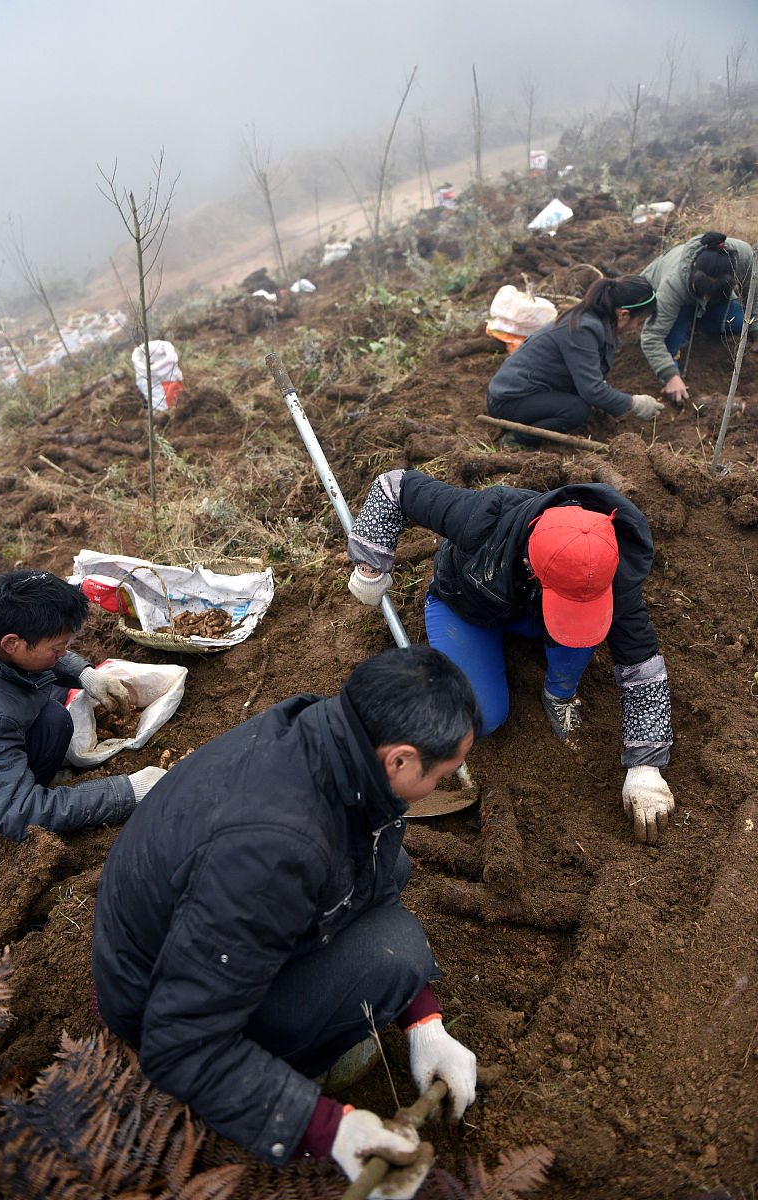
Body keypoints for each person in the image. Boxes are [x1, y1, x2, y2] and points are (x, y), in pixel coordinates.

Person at [92, 646, 479, 1198]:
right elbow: (180, 1041)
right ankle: (286, 1062)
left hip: (192, 936)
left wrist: (424, 1023)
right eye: (440, 775)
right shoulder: (273, 854)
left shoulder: (330, 733)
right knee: (391, 955)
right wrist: (329, 1128)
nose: (440, 787)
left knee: (392, 870)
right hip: (156, 1002)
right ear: (398, 760)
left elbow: (370, 879)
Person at [347, 473, 674, 846]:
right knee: (480, 716)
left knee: (591, 629)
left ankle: (559, 694)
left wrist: (646, 765)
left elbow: (642, 669)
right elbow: (394, 487)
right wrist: (370, 563)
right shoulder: (483, 517)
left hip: (540, 612)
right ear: (532, 564)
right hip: (469, 609)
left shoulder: (606, 568)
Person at [0, 569, 166, 842]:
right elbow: (20, 814)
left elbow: (36, 657)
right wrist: (130, 791)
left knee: (50, 703)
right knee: (53, 722)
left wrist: (83, 673)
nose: (64, 654)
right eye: (58, 648)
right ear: (11, 643)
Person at [486, 274, 663, 448]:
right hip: (509, 401)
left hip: (531, 392)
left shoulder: (595, 320)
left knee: (582, 403)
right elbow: (592, 390)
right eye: (639, 321)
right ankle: (518, 438)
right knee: (576, 410)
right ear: (623, 315)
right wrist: (634, 403)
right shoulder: (583, 329)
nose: (635, 328)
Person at [640, 230, 758, 403]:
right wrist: (670, 376)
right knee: (670, 345)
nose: (705, 298)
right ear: (694, 266)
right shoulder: (673, 284)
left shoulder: (743, 257)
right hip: (679, 302)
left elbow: (753, 294)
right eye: (702, 291)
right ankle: (682, 326)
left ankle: (693, 324)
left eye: (711, 292)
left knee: (739, 323)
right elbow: (651, 336)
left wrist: (756, 330)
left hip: (715, 300)